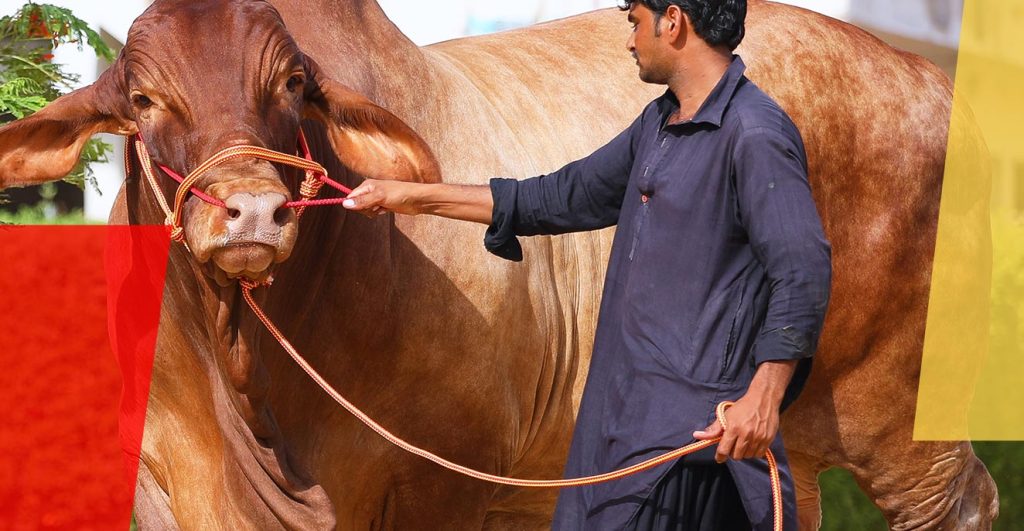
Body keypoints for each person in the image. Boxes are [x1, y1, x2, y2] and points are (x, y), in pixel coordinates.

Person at [341, 0, 831, 529]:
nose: (629, 41)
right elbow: (560, 197)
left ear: (673, 20)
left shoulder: (755, 133)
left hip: (694, 453)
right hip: (618, 429)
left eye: (634, 23)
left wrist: (764, 395)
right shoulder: (660, 122)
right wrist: (410, 197)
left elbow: (803, 268)